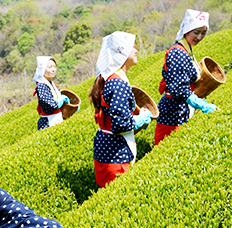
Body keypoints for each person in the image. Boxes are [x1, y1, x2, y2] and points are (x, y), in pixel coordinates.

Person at [89, 31, 152, 188]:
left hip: (108, 147)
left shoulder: (111, 79)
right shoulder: (117, 83)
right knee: (115, 190)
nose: (136, 50)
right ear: (121, 53)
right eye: (132, 47)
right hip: (115, 152)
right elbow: (121, 125)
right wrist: (141, 118)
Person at [154, 9, 217, 145]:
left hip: (180, 109)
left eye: (203, 33)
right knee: (166, 147)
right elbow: (179, 89)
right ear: (187, 30)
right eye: (196, 32)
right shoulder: (178, 53)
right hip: (172, 112)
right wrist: (199, 103)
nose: (199, 37)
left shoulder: (186, 49)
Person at [33, 56, 69, 130]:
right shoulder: (41, 85)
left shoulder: (52, 83)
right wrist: (60, 101)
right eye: (50, 67)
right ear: (42, 69)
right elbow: (49, 105)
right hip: (48, 121)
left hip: (57, 117)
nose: (53, 70)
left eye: (54, 67)